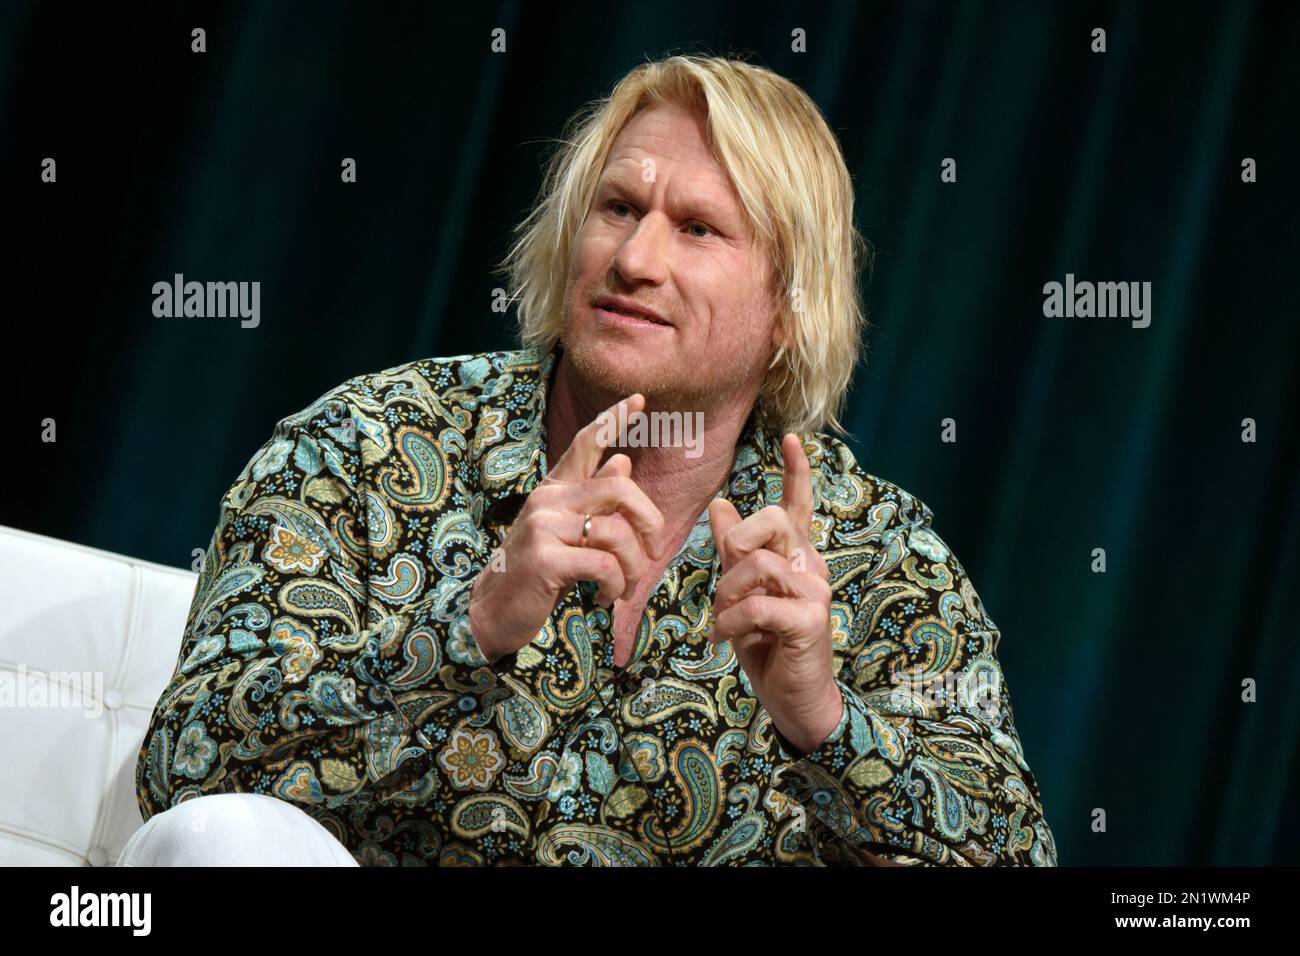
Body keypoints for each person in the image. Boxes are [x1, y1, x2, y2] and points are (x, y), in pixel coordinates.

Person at [130, 53, 1057, 867]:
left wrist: (822, 718)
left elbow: (1012, 849)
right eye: (618, 208)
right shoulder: (366, 446)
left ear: (788, 308)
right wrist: (472, 627)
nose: (636, 259)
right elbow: (188, 766)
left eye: (698, 229)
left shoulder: (880, 559)